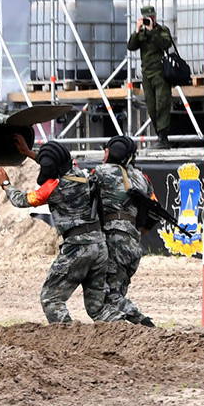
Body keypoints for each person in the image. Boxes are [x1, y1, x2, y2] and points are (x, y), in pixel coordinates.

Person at [0, 137, 121, 324]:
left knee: (51, 298)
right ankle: (127, 332)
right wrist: (29, 153)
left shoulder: (55, 189)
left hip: (78, 248)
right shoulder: (78, 171)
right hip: (99, 246)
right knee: (98, 308)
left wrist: (6, 184)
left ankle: (69, 339)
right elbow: (57, 163)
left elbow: (23, 200)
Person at [89, 135, 155, 327]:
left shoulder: (101, 172)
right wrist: (137, 231)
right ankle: (123, 334)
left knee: (109, 296)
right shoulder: (142, 178)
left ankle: (141, 322)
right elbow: (155, 211)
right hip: (132, 241)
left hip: (113, 240)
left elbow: (79, 190)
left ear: (111, 152)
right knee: (117, 294)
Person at [126, 4, 174, 149]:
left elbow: (165, 44)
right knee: (151, 106)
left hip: (160, 72)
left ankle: (163, 137)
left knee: (162, 104)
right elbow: (131, 46)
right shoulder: (141, 33)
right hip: (147, 73)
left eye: (152, 17)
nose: (151, 19)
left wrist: (152, 30)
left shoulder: (162, 30)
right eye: (148, 18)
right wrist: (137, 29)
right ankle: (160, 136)